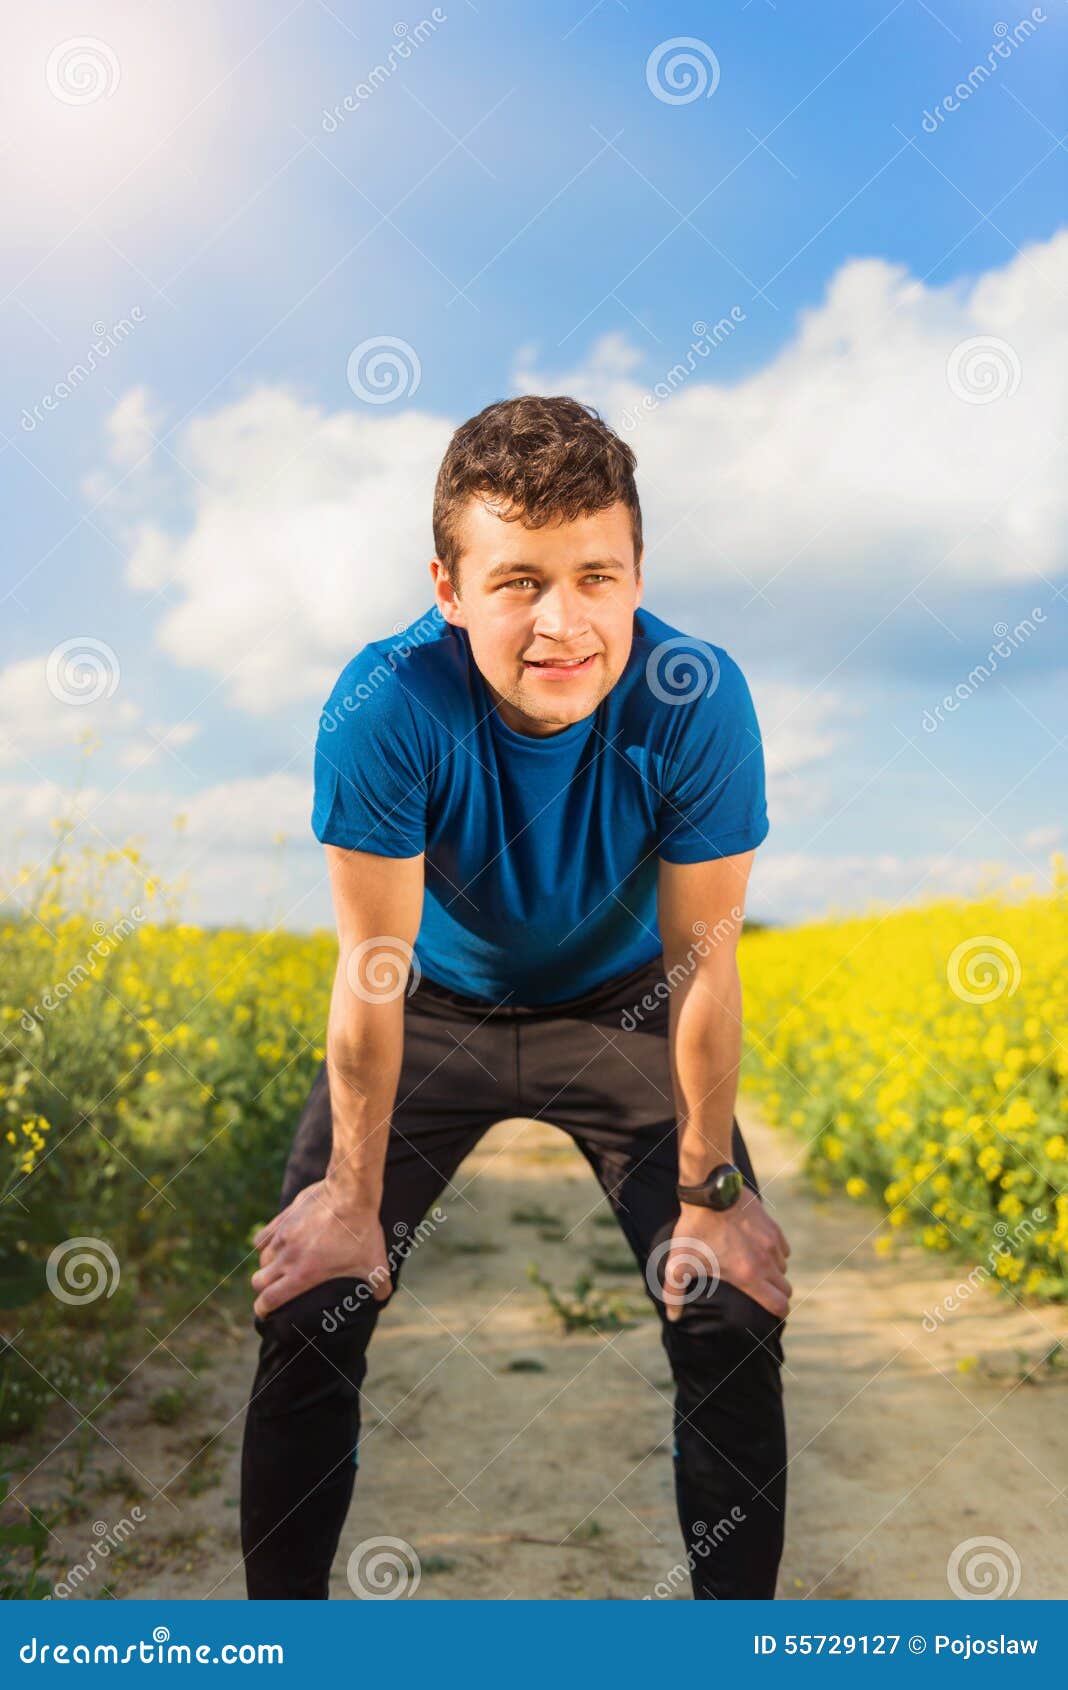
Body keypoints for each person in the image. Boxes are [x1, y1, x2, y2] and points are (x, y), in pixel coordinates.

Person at [239, 394, 792, 1600]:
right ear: (445, 587)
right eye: (517, 581)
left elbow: (706, 962)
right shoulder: (386, 703)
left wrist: (712, 1195)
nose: (563, 622)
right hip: (432, 1012)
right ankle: (280, 1645)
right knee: (315, 1300)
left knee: (728, 1303)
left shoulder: (699, 699)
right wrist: (349, 1198)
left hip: (626, 1010)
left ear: (640, 573)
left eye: (598, 576)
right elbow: (371, 969)